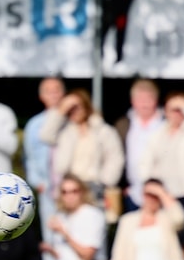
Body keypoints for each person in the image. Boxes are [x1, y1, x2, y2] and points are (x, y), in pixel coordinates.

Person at [42, 89, 124, 220]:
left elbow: (115, 157)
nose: (74, 111)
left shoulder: (102, 130)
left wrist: (106, 180)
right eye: (70, 109)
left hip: (95, 187)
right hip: (71, 188)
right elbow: (46, 135)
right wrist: (62, 109)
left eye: (77, 107)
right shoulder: (65, 131)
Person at [99, 179, 184, 260]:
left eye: (155, 195)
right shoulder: (127, 221)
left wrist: (161, 192)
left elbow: (179, 219)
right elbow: (119, 258)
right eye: (148, 194)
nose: (151, 198)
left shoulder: (165, 218)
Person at [135, 92, 184, 210]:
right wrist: (152, 186)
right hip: (167, 197)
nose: (178, 113)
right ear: (166, 112)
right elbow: (145, 164)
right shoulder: (157, 135)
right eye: (174, 110)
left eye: (181, 110)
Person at [42, 174, 107, 260]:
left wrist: (64, 233)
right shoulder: (61, 216)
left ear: (82, 192)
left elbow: (88, 255)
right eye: (64, 192)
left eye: (74, 191)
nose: (69, 196)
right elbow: (63, 256)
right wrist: (48, 249)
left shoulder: (92, 214)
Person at [116, 78, 162, 197]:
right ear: (133, 101)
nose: (144, 103)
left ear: (156, 100)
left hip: (160, 190)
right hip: (132, 191)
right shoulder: (123, 125)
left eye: (148, 99)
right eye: (140, 99)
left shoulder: (165, 124)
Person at [22, 76, 66, 197]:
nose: (53, 95)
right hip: (47, 186)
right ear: (41, 96)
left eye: (56, 90)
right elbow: (29, 156)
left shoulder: (72, 120)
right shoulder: (34, 124)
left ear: (63, 93)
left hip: (71, 187)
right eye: (48, 91)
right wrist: (37, 182)